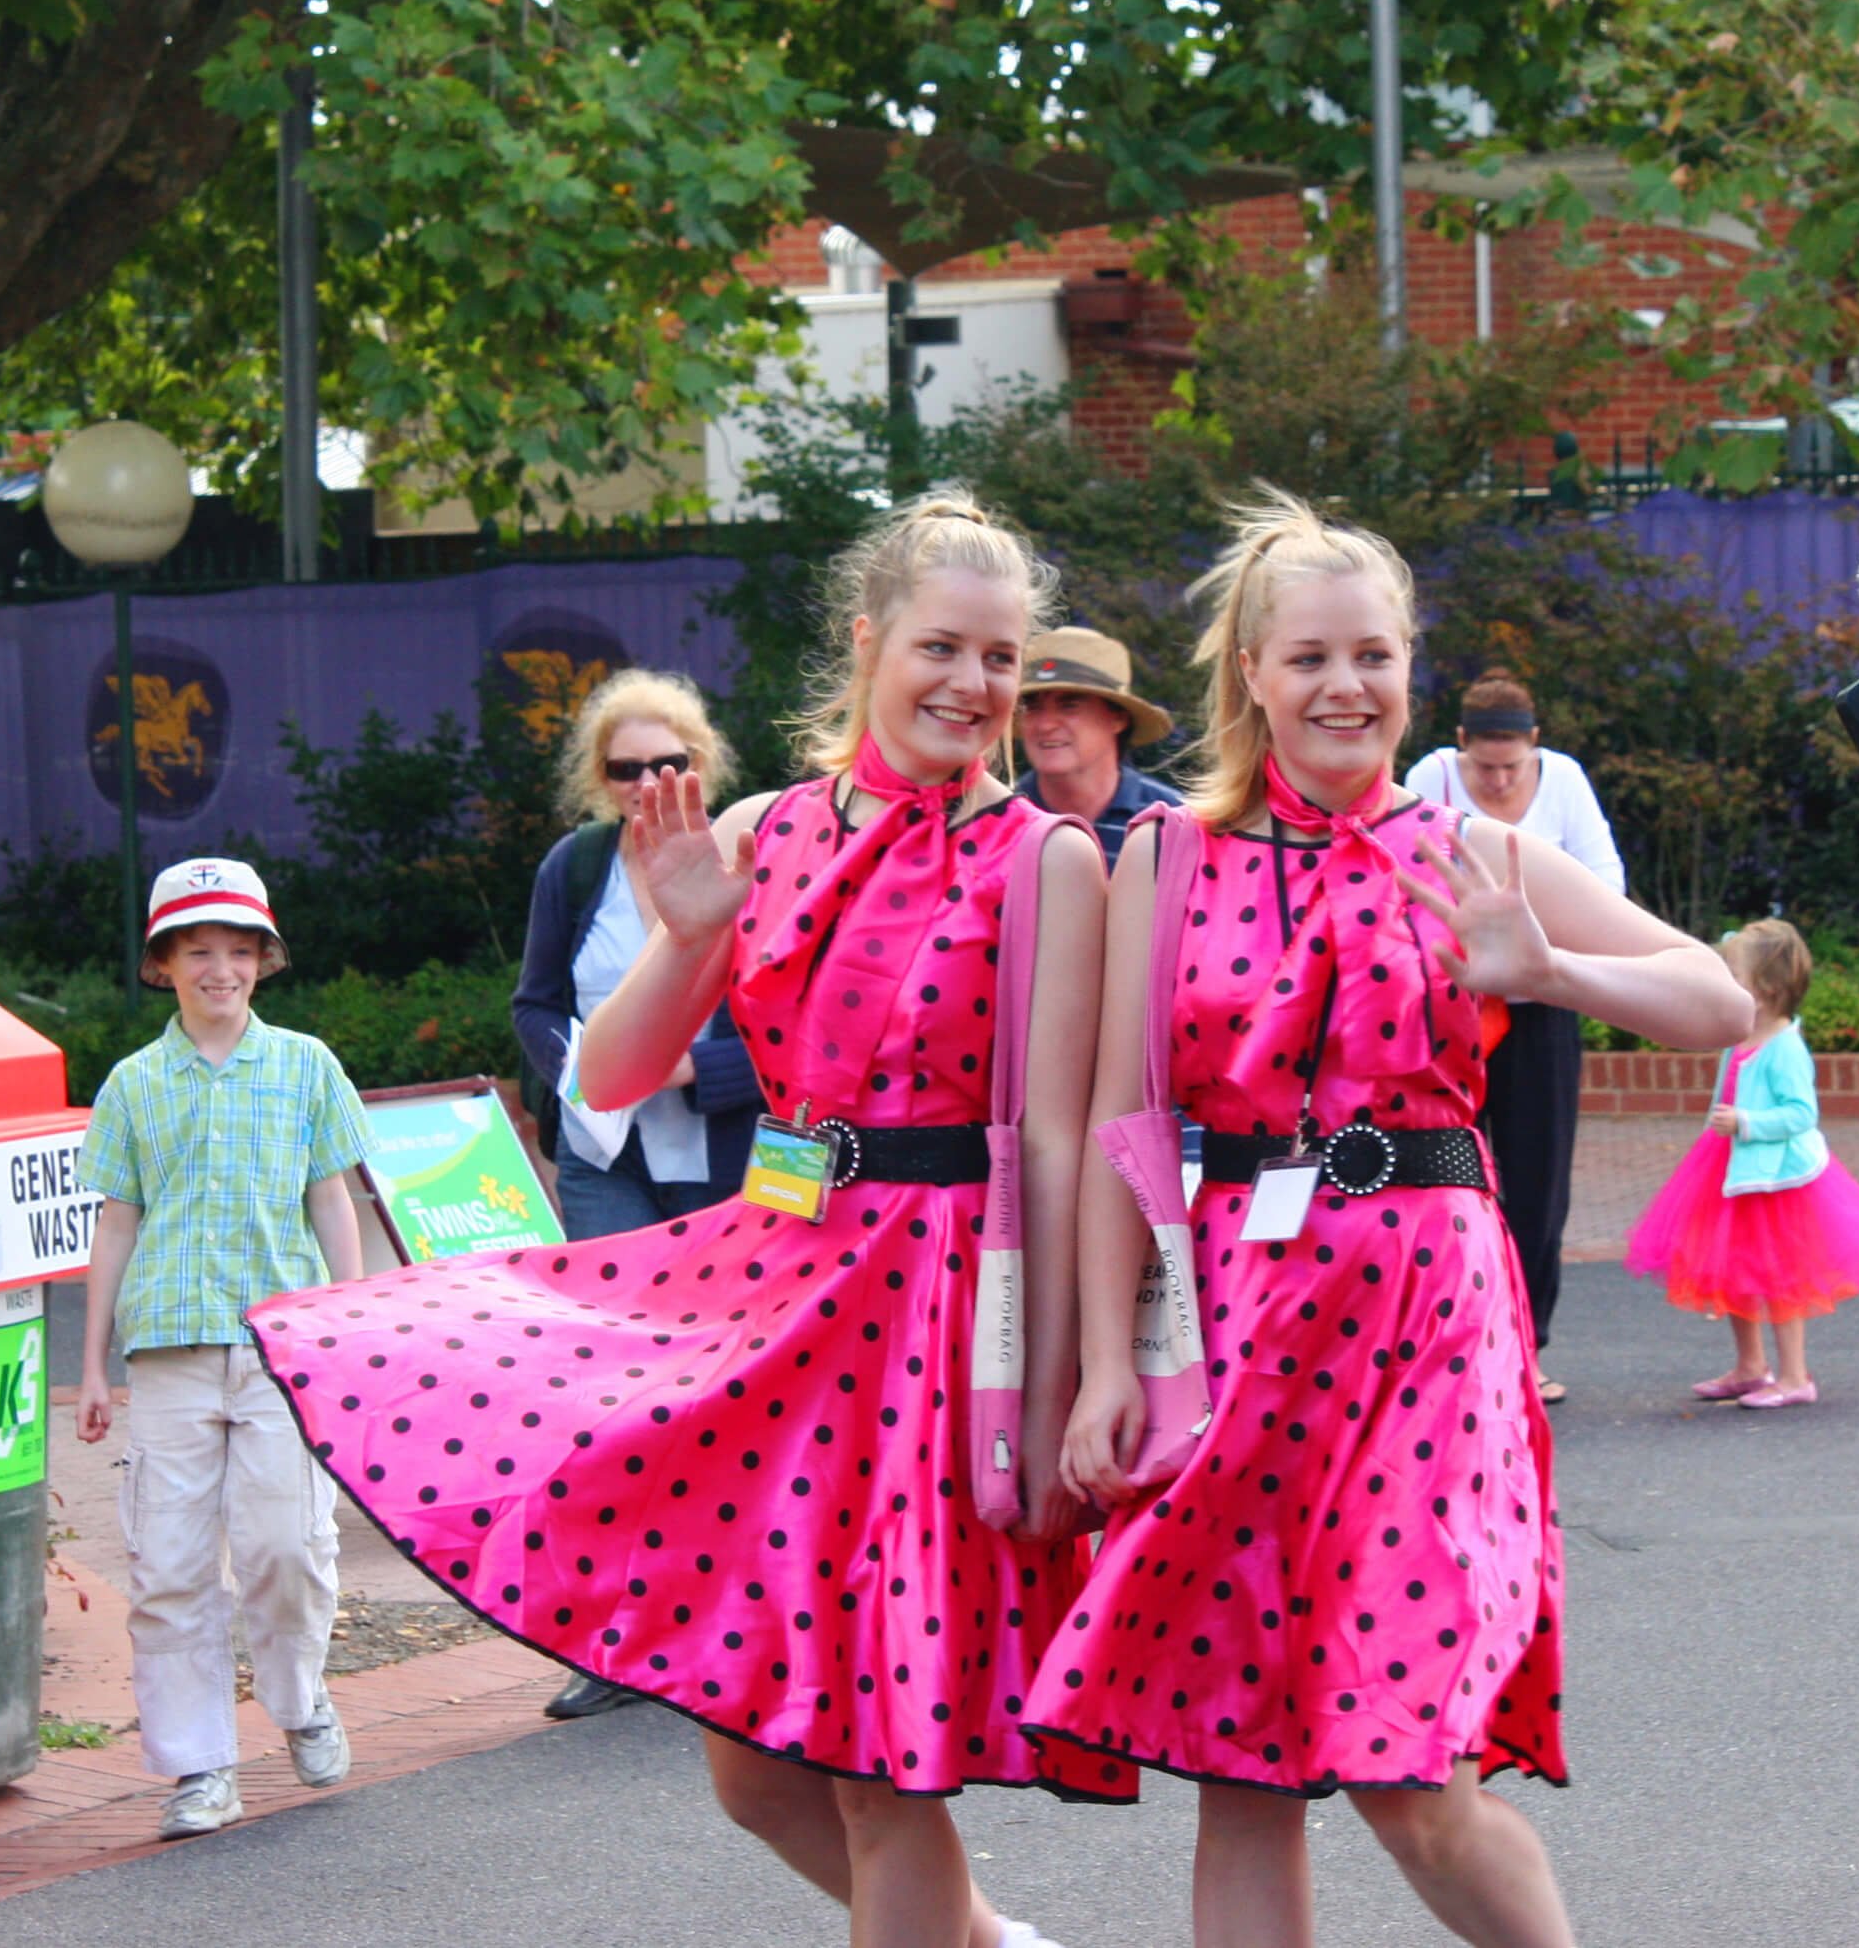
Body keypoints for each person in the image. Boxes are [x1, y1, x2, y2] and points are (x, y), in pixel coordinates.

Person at [250, 490, 1118, 1948]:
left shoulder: (1051, 859)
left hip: (934, 1316)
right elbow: (609, 1077)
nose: (975, 686)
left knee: (873, 1769)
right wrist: (694, 931)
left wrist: (1063, 1378)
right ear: (866, 642)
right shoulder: (760, 830)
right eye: (943, 647)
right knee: (746, 1762)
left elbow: (1061, 1140)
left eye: (1003, 658)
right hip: (773, 1285)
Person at [1032, 488, 1751, 1948]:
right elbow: (1126, 1129)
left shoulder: (1468, 846)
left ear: (1408, 664)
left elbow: (1723, 996)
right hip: (1233, 1319)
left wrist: (1550, 968)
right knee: (1237, 1762)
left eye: (1371, 654)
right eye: (1307, 658)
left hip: (1426, 1311)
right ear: (1252, 673)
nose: (1343, 686)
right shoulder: (1165, 858)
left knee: (1401, 1758)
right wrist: (1109, 1359)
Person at [73, 857, 372, 1841]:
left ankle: (298, 1697)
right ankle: (199, 1765)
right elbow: (116, 1224)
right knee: (168, 1564)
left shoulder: (305, 1065)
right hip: (164, 1348)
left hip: (283, 1342)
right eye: (198, 951)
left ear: (262, 961)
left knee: (287, 1545)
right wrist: (92, 1367)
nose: (220, 969)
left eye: (238, 951)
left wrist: (351, 1327)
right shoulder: (132, 1084)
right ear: (163, 965)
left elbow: (332, 1196)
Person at [512, 672, 761, 1721]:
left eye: (670, 764)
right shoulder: (573, 871)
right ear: (600, 782)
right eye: (628, 769)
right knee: (611, 1399)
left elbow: (784, 1027)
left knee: (713, 1395)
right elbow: (533, 1002)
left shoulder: (747, 858)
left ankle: (726, 1625)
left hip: (713, 1162)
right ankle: (610, 1641)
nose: (651, 783)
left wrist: (680, 1069)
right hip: (603, 1160)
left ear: (701, 766)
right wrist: (579, 1072)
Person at [1401, 678, 1621, 1403]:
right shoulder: (1429, 777)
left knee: (1537, 1187)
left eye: (1511, 767)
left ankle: (1527, 1350)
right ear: (1461, 746)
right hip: (1451, 1007)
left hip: (1542, 1003)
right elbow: (1396, 879)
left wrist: (1542, 947)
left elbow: (1605, 882)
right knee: (1441, 1178)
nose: (1497, 782)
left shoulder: (1564, 781)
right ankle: (1441, 1348)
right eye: (1485, 768)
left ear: (1534, 748)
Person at [1625, 919, 1859, 1408]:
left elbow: (1802, 1114)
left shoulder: (1784, 1047)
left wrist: (1747, 1123)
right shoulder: (1739, 1037)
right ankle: (1751, 1365)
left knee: (1780, 1276)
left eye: (1733, 975)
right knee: (1734, 1267)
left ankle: (1796, 1376)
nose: (1724, 984)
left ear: (1765, 991)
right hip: (1733, 1169)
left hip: (1776, 1179)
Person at [1015, 624, 1184, 867]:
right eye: (1032, 706)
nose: (1045, 724)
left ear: (1118, 718)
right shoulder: (995, 822)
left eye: (1069, 705)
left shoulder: (1174, 823)